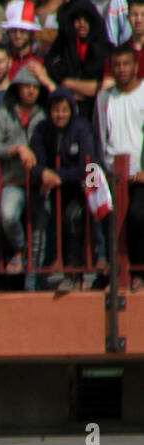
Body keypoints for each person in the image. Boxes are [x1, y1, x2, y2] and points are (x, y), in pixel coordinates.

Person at [27, 87, 93, 288]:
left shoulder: (81, 128)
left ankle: (72, 271)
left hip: (77, 190)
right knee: (41, 220)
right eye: (56, 110)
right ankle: (41, 275)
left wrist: (58, 176)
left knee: (72, 217)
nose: (60, 115)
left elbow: (85, 166)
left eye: (64, 110)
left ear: (71, 110)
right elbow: (35, 164)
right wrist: (43, 174)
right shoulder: (41, 129)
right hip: (48, 189)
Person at [0, 64, 45, 277]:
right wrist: (17, 149)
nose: (31, 91)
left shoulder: (46, 113)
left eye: (35, 87)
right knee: (7, 215)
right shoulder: (2, 113)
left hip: (41, 182)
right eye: (26, 86)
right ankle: (19, 250)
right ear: (17, 88)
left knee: (42, 228)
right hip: (13, 181)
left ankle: (35, 278)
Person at [96, 42, 144, 286]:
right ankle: (111, 272)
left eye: (126, 64)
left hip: (139, 174)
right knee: (106, 218)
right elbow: (102, 135)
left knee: (137, 216)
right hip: (112, 174)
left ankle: (138, 272)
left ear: (136, 65)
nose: (121, 69)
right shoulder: (104, 98)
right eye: (116, 65)